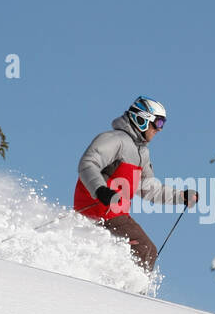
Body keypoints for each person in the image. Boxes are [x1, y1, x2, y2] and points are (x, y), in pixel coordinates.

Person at [73, 95, 198, 272]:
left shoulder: (142, 153)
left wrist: (180, 197)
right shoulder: (114, 139)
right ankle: (131, 296)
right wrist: (100, 190)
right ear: (142, 119)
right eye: (159, 122)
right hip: (99, 210)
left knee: (140, 252)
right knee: (145, 250)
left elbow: (148, 188)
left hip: (113, 214)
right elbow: (88, 163)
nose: (160, 129)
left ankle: (116, 288)